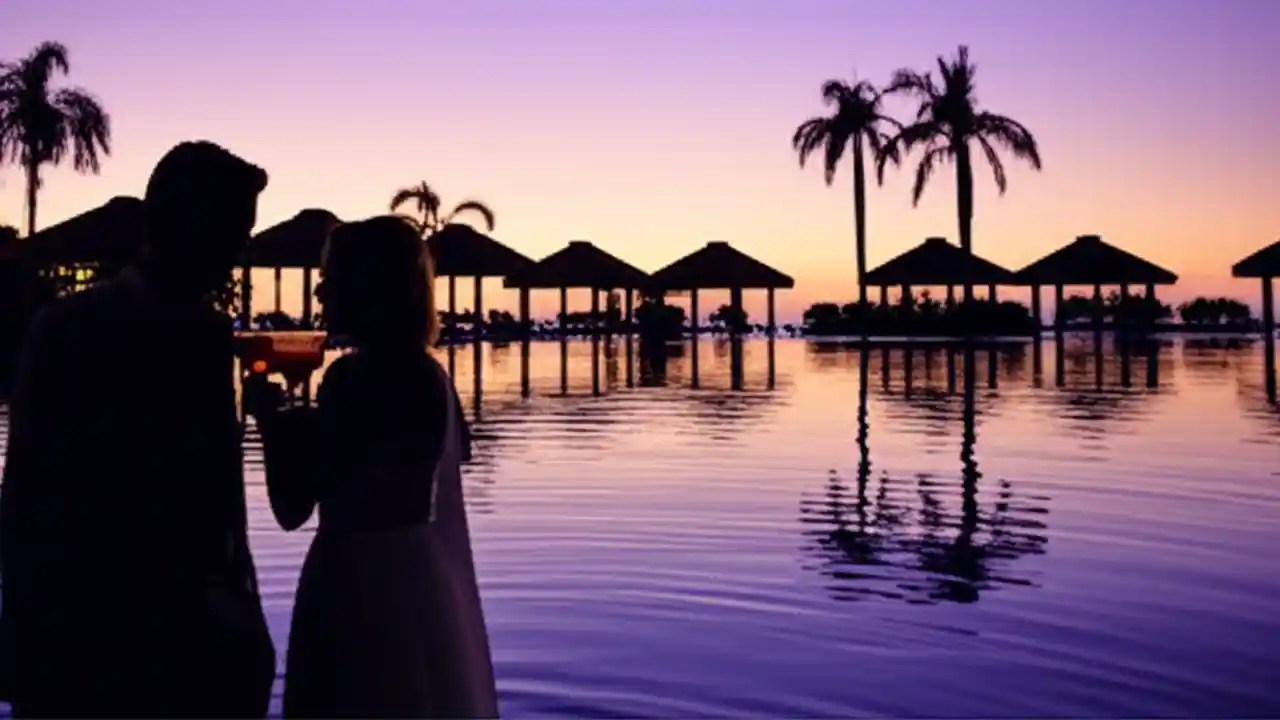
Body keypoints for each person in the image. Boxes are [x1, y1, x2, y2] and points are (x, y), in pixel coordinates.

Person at [0, 141, 276, 717]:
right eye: (229, 227)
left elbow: (220, 500)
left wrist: (244, 614)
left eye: (244, 230)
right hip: (100, 637)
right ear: (173, 223)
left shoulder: (208, 335)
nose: (238, 247)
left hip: (199, 643)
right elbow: (29, 494)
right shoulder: (71, 333)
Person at [246, 215, 497, 718]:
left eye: (331, 277)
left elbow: (292, 506)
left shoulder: (351, 381)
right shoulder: (432, 378)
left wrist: (269, 419)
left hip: (355, 581)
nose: (320, 292)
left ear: (367, 287)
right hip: (420, 578)